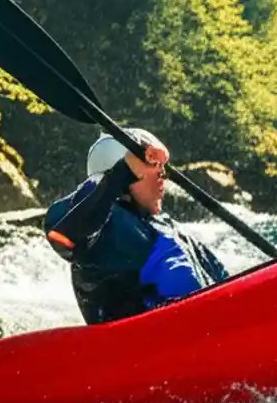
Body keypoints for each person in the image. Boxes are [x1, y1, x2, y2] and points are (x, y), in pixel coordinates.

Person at [43, 129, 229, 324]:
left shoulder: (170, 229)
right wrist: (120, 174)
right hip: (153, 346)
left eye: (162, 165)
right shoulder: (106, 232)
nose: (162, 173)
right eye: (153, 164)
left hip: (207, 332)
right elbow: (61, 235)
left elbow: (226, 285)